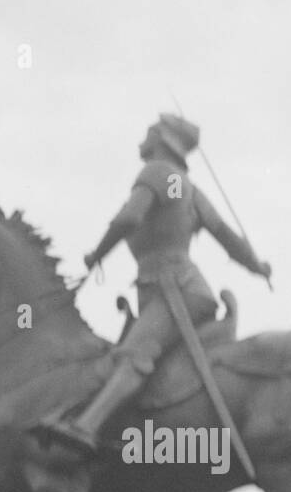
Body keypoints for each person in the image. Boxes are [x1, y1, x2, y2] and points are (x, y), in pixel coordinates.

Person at [36, 113, 271, 454]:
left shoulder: (157, 173)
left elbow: (130, 217)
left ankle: (87, 427)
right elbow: (229, 238)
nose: (141, 140)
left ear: (163, 139)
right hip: (179, 289)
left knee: (134, 354)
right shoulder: (190, 190)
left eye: (148, 133)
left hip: (175, 289)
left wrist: (96, 254)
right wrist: (257, 266)